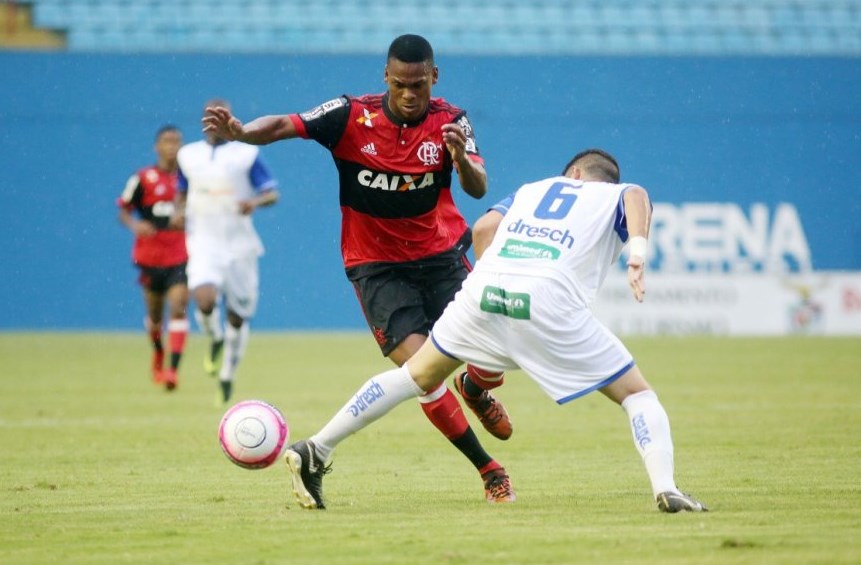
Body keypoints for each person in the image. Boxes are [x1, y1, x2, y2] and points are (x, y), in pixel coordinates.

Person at [281, 148, 709, 513]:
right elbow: (637, 195)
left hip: (483, 289)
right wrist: (637, 252)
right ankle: (666, 488)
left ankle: (316, 448)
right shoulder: (615, 193)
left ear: (573, 174)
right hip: (549, 299)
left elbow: (483, 229)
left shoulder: (532, 189)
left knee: (414, 377)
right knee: (636, 394)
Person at [201, 34, 515, 503]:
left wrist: (458, 159)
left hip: (441, 257)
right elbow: (286, 125)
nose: (410, 95)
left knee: (494, 352)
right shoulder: (350, 115)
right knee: (420, 374)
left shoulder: (452, 121)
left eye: (419, 86)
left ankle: (475, 384)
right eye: (401, 85)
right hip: (377, 268)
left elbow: (477, 185)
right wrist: (243, 133)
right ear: (385, 77)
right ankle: (489, 471)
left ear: (434, 77)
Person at [175, 99, 280, 405]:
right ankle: (214, 337)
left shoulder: (246, 154)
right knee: (204, 300)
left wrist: (254, 203)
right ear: (204, 121)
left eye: (222, 116)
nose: (215, 121)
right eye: (210, 116)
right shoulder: (189, 156)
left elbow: (271, 192)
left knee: (238, 316)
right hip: (203, 241)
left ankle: (227, 373)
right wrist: (179, 210)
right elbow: (183, 191)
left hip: (239, 246)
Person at [117, 124, 189, 391]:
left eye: (177, 142)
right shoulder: (143, 178)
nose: (172, 146)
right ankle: (158, 350)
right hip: (150, 256)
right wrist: (136, 226)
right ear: (156, 147)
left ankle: (172, 369)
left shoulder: (189, 178)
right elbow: (124, 210)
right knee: (156, 316)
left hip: (181, 254)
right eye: (167, 142)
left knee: (179, 305)